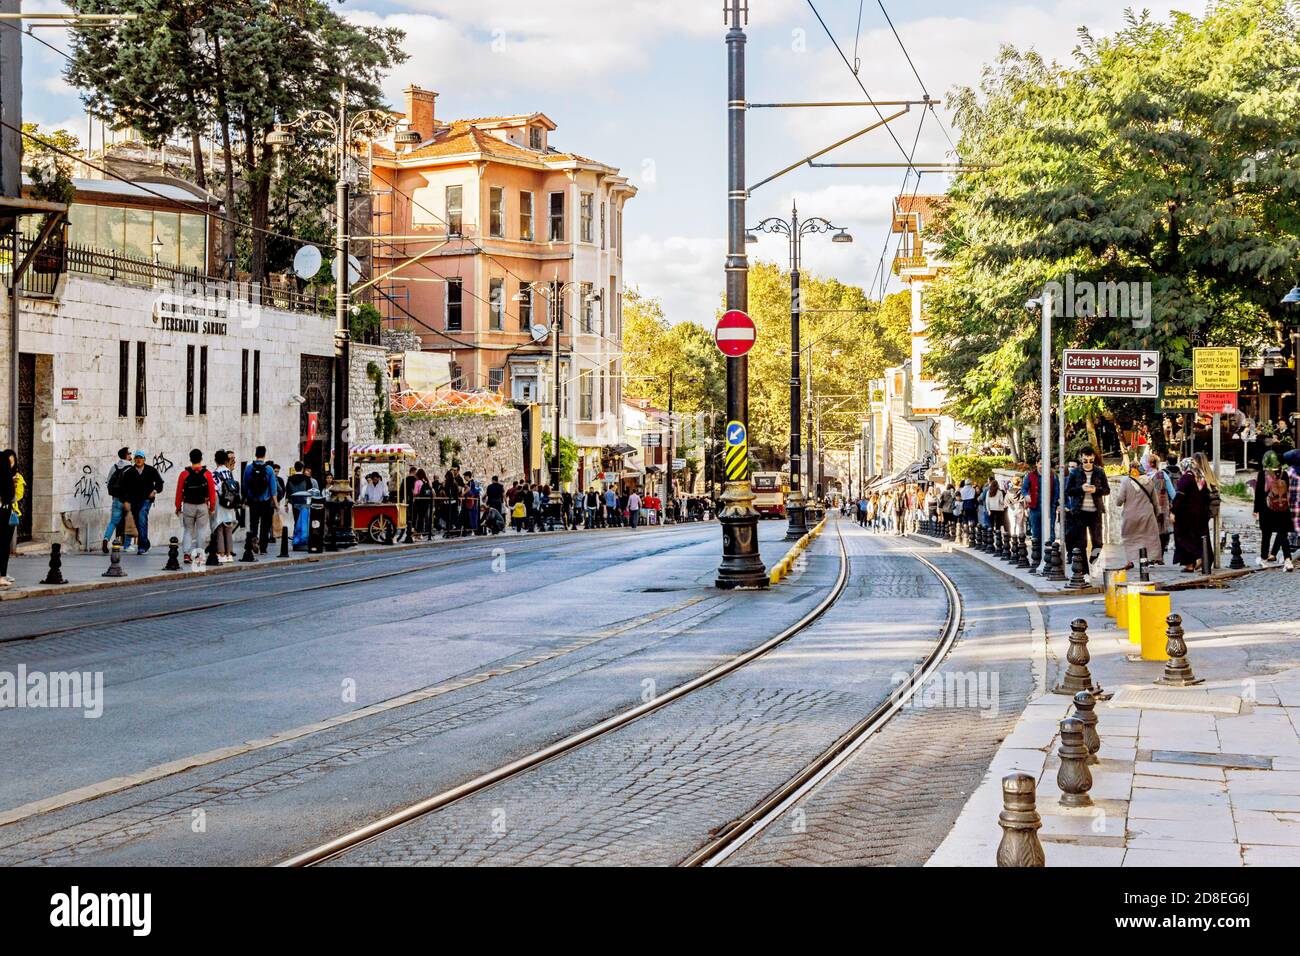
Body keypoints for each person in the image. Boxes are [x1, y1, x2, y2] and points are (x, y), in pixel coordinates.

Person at [1113, 458, 1162, 570]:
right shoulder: (1149, 481)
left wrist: (1119, 501)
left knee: (1129, 538)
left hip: (1131, 516)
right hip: (1147, 515)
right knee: (1149, 537)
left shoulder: (1126, 482)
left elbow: (1119, 501)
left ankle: (1130, 560)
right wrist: (1157, 513)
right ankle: (1150, 560)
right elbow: (1155, 501)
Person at [1064, 447, 1110, 564]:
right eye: (1085, 460)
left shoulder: (1100, 472)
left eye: (1091, 460)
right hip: (1080, 512)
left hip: (1095, 512)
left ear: (1094, 458)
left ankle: (1093, 561)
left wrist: (1096, 490)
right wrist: (1081, 489)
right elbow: (1068, 491)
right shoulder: (1075, 472)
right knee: (1081, 543)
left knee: (1098, 542)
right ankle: (1085, 571)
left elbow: (1106, 490)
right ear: (1081, 458)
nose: (1088, 463)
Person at [175, 448, 217, 565]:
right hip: (202, 506)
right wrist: (212, 508)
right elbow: (212, 493)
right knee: (201, 531)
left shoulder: (184, 474)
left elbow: (179, 493)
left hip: (188, 505)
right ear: (201, 459)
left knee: (188, 530)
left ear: (190, 459)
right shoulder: (207, 474)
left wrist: (178, 507)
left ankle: (187, 554)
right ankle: (199, 555)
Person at [1254, 450, 1294, 570]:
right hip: (1282, 508)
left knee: (1266, 535)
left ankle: (1263, 559)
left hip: (1267, 509)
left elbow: (1259, 494)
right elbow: (1288, 492)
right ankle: (1288, 560)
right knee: (1283, 535)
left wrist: (1256, 510)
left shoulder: (1263, 474)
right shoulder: (1284, 474)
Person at [119, 450, 164, 556]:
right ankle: (146, 543)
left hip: (146, 500)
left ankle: (142, 546)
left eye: (141, 458)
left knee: (142, 516)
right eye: (137, 458)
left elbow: (159, 483)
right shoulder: (129, 472)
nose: (139, 460)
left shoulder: (151, 470)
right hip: (134, 501)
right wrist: (125, 501)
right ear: (135, 460)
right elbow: (123, 488)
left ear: (144, 459)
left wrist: (154, 491)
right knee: (138, 522)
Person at [1172, 457, 1211, 572]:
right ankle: (1194, 561)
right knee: (1194, 537)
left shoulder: (1186, 478)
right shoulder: (1200, 478)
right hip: (1199, 514)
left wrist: (1173, 511)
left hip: (1185, 515)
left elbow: (1179, 496)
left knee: (1183, 538)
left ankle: (1193, 560)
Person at [242, 447, 277, 554]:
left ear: (255, 454)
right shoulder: (269, 469)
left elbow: (244, 486)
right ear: (264, 455)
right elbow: (273, 489)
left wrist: (244, 500)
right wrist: (276, 504)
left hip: (253, 501)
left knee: (254, 523)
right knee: (265, 525)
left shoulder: (248, 468)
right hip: (265, 502)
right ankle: (263, 548)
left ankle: (254, 539)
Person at [102, 446, 134, 553]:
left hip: (116, 499)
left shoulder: (114, 467)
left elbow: (108, 482)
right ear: (126, 455)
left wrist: (115, 495)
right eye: (129, 453)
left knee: (113, 522)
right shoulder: (131, 468)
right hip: (127, 500)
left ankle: (106, 539)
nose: (131, 455)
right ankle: (127, 545)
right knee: (129, 521)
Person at [211, 450, 239, 563]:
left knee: (219, 527)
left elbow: (215, 489)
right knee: (228, 528)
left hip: (220, 501)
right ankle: (229, 554)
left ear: (215, 460)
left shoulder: (215, 473)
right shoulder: (229, 472)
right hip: (230, 501)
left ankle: (221, 553)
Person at [0, 449, 18, 588]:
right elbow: (10, 496)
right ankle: (1, 576)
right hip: (4, 512)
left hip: (7, 511)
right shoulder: (5, 475)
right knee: (3, 545)